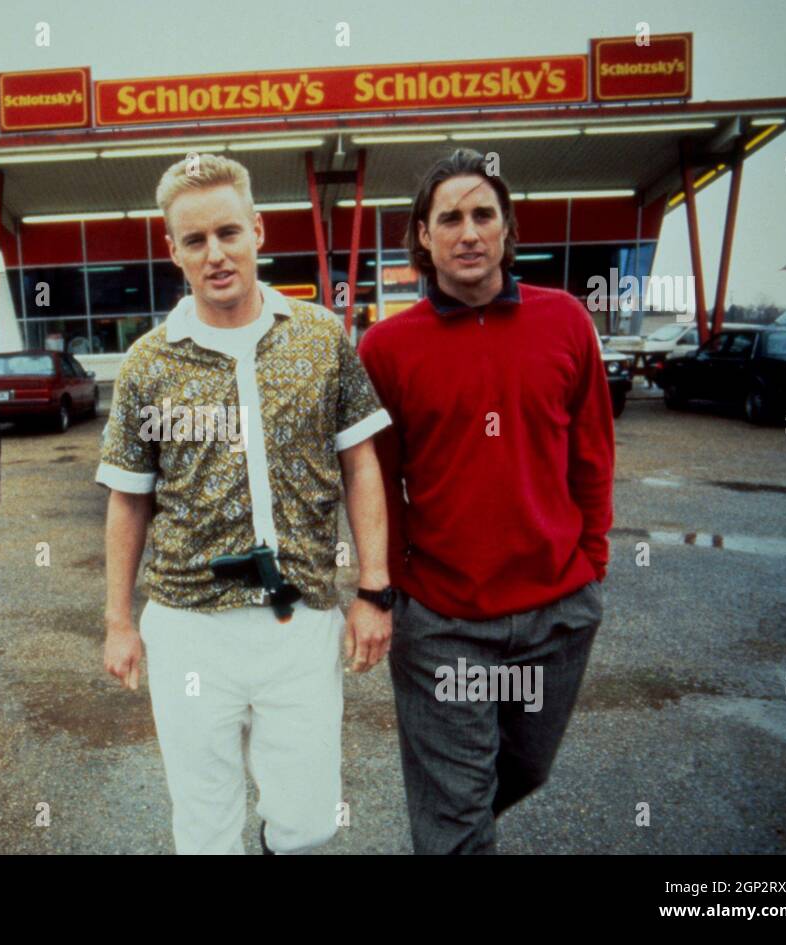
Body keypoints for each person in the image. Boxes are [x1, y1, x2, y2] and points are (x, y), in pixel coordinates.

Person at [97, 154, 394, 854]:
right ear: (173, 250)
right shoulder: (149, 361)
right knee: (205, 822)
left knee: (309, 819)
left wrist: (374, 590)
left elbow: (362, 464)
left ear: (258, 230)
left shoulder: (321, 338)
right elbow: (127, 502)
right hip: (188, 623)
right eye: (195, 240)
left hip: (301, 616)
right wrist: (117, 620)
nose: (216, 253)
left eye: (229, 232)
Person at [358, 149, 615, 854]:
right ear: (423, 236)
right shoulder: (386, 347)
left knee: (525, 767)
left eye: (482, 215)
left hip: (557, 612)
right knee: (458, 821)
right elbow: (376, 480)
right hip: (444, 624)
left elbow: (591, 455)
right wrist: (396, 586)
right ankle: (453, 822)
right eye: (450, 218)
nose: (468, 232)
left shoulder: (564, 321)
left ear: (506, 229)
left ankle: (456, 807)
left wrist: (591, 562)